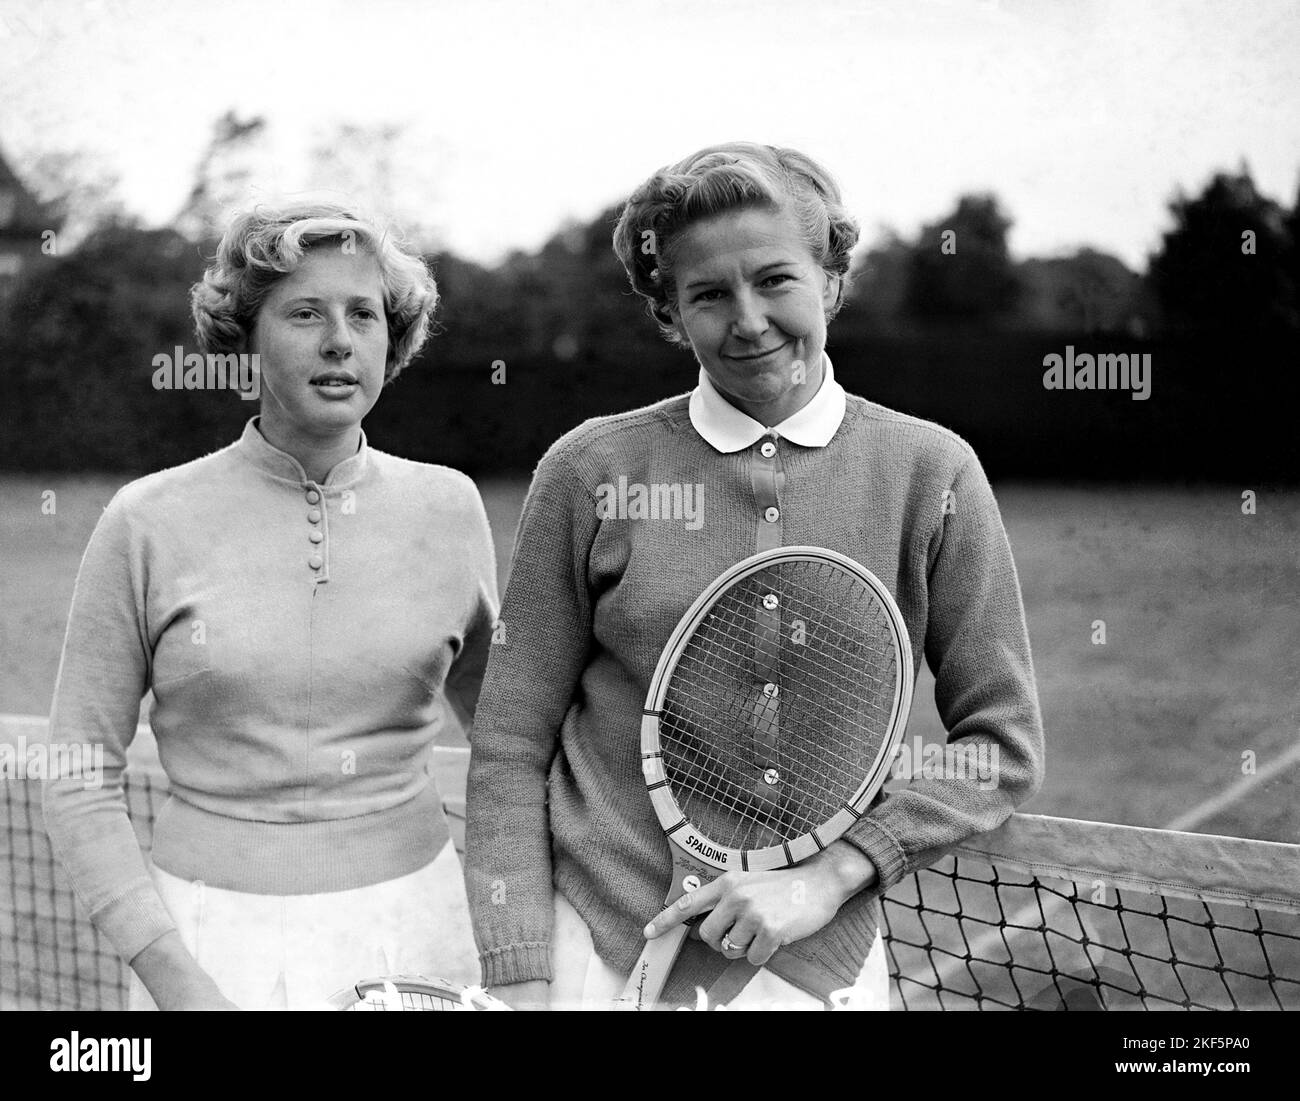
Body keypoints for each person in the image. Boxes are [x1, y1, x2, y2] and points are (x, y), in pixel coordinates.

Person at [464, 143, 1044, 1010]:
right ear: (669, 314)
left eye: (775, 280)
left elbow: (1000, 743)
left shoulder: (934, 472)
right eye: (708, 294)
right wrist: (517, 975)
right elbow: (509, 744)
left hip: (820, 966)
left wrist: (834, 874)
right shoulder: (589, 470)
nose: (748, 319)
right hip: (593, 953)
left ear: (832, 280)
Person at [43, 201, 498, 1010]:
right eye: (304, 313)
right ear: (246, 336)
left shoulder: (450, 507)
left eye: (364, 313)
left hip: (421, 932)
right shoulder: (145, 519)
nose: (338, 339)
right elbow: (77, 775)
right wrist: (175, 978)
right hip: (209, 948)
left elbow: (512, 745)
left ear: (392, 338)